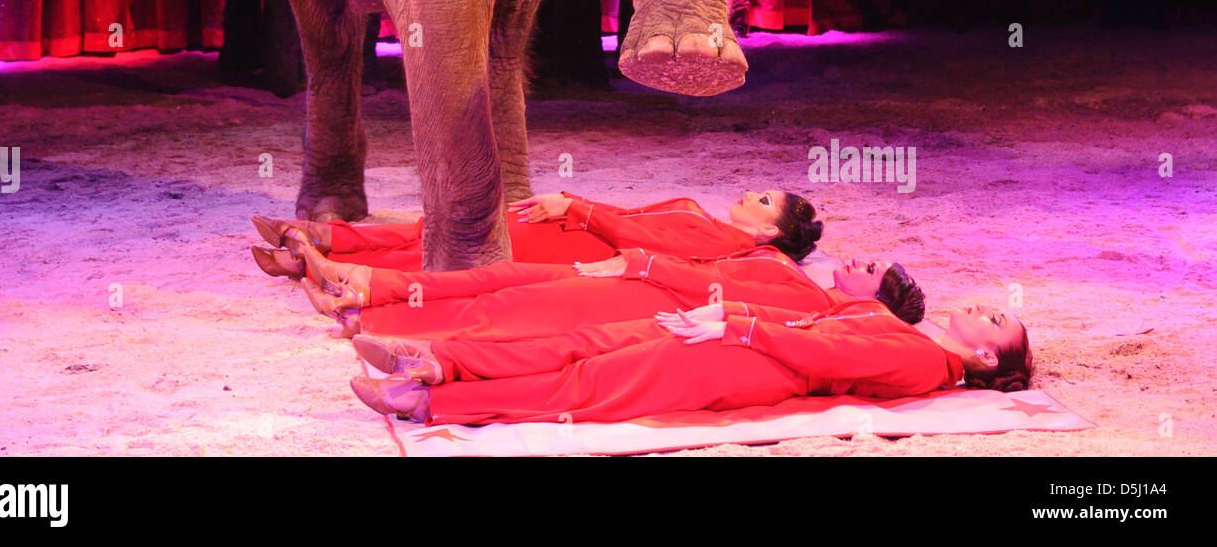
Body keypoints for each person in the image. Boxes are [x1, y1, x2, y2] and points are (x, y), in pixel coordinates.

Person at [349, 298, 1031, 426]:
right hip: (745, 339)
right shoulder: (908, 333)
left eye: (996, 323)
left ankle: (429, 401)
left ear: (979, 355)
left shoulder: (923, 366)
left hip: (753, 366)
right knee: (589, 339)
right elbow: (815, 324)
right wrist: (721, 314)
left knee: (592, 385)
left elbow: (824, 354)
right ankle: (439, 359)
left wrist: (733, 326)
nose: (983, 306)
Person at [295, 242, 926, 340]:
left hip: (645, 298)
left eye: (870, 271)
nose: (857, 263)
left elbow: (718, 289)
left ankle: (364, 317)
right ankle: (364, 287)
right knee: (505, 279)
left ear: (873, 299)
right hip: (641, 279)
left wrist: (643, 265)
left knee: (511, 307)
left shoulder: (815, 304)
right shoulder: (799, 278)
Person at [250, 188, 823, 277]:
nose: (749, 195)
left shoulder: (732, 244)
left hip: (581, 245)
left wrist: (574, 207)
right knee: (443, 228)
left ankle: (313, 257)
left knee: (451, 252)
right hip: (574, 224)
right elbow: (631, 210)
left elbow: (647, 243)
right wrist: (567, 201)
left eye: (763, 201)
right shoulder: (699, 209)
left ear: (771, 232)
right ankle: (326, 238)